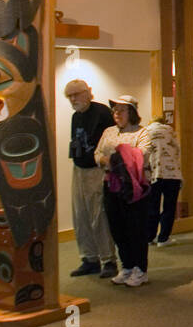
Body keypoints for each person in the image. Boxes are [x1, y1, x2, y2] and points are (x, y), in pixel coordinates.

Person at [95, 95, 153, 286]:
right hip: (111, 185)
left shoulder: (142, 133)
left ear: (132, 112)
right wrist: (113, 159)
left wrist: (113, 158)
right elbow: (97, 154)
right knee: (117, 227)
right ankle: (126, 265)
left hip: (135, 187)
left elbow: (141, 154)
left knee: (135, 227)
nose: (117, 114)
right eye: (115, 110)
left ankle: (140, 269)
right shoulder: (108, 132)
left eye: (121, 110)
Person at [64, 79, 118, 278]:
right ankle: (89, 258)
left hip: (97, 169)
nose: (73, 99)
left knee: (99, 215)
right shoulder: (75, 117)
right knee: (81, 215)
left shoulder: (102, 113)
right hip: (79, 169)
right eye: (69, 96)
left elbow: (112, 141)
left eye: (76, 94)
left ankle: (108, 259)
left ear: (88, 93)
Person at [144, 111, 182, 248]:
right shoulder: (169, 130)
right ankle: (163, 238)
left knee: (152, 206)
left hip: (154, 174)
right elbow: (177, 150)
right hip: (172, 174)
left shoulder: (145, 131)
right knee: (169, 206)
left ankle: (149, 237)